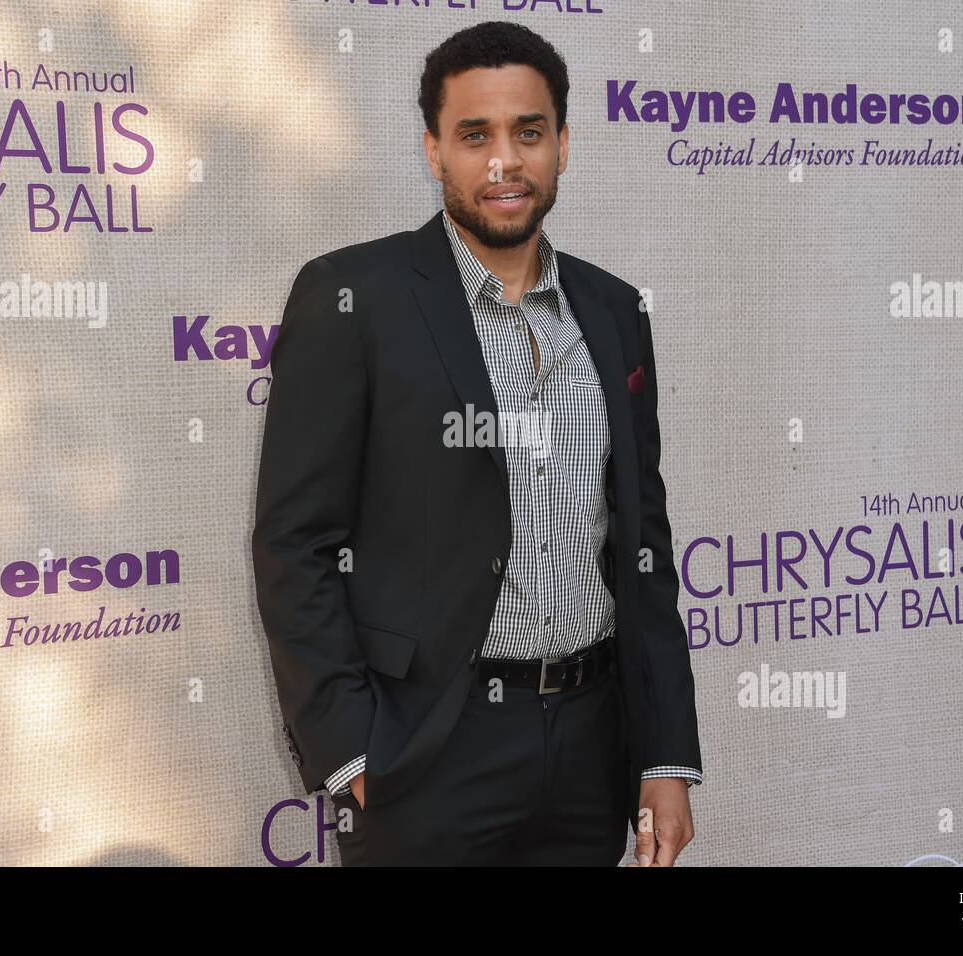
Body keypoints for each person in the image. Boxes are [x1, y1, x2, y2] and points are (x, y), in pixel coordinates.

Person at [251, 20, 702, 866]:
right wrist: (352, 749)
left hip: (591, 750)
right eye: (474, 135)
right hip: (426, 755)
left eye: (527, 133)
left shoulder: (613, 312)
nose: (504, 162)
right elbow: (294, 544)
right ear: (434, 150)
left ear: (562, 145)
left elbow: (644, 544)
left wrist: (665, 753)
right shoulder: (354, 299)